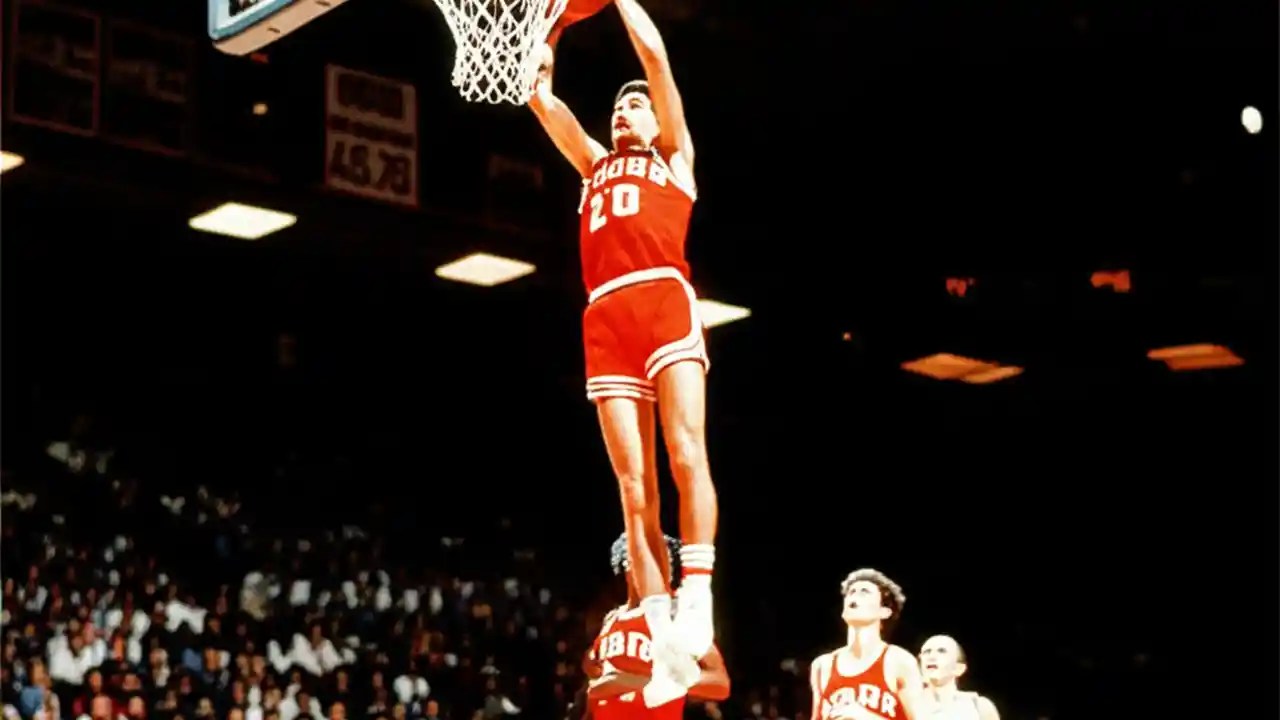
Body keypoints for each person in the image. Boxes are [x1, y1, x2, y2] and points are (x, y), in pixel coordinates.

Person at [527, 0, 719, 684]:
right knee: (633, 487)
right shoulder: (593, 166)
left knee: (684, 450)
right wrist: (545, 34)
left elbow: (654, 57)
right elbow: (539, 97)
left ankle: (698, 593)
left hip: (662, 296)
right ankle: (661, 623)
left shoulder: (673, 157)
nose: (623, 112)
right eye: (618, 107)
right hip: (605, 315)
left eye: (634, 107)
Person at [585, 533, 730, 718]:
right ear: (627, 564)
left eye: (665, 563)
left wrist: (636, 682)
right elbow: (595, 685)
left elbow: (719, 684)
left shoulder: (677, 616)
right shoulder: (611, 620)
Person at [810, 569, 924, 720]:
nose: (854, 595)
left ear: (884, 611)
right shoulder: (822, 665)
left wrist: (866, 717)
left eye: (864, 591)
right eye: (851, 592)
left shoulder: (900, 661)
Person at [916, 636, 999, 720]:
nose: (931, 657)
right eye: (926, 652)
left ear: (959, 668)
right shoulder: (910, 704)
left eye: (941, 651)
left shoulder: (979, 706)